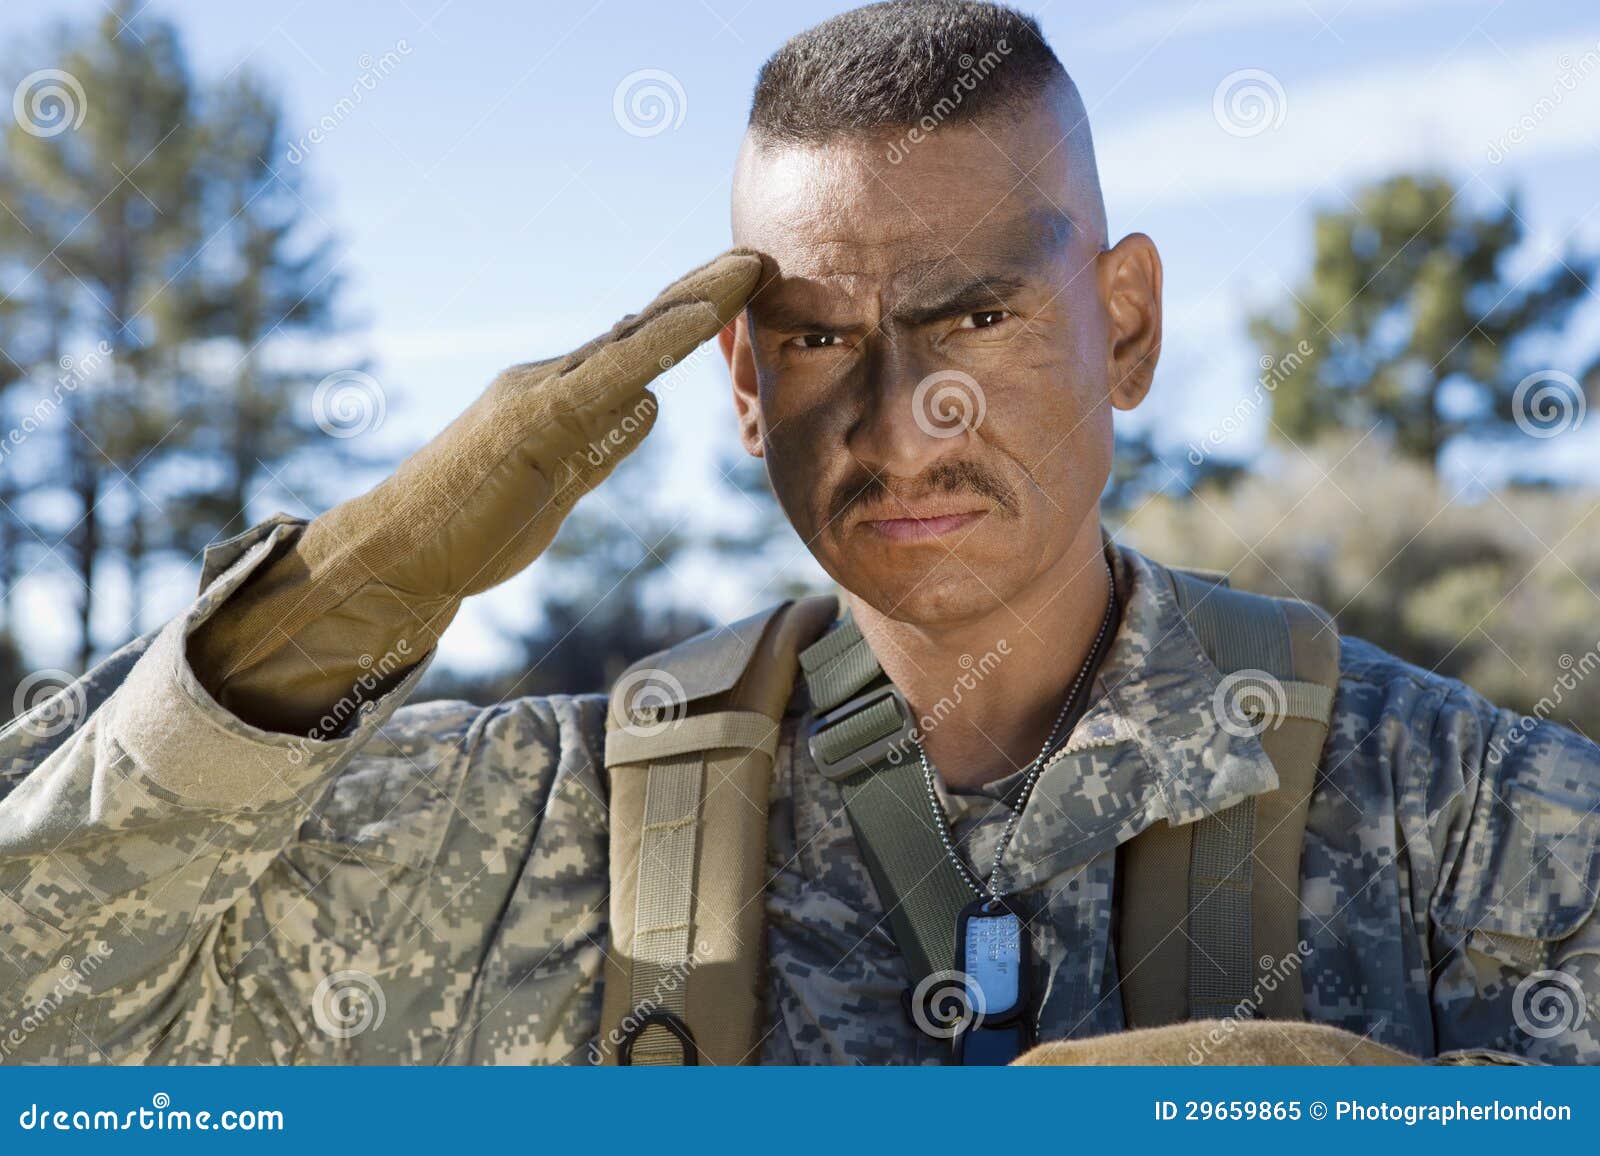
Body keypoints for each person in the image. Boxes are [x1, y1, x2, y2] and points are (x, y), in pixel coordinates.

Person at [1, 0, 1596, 1067]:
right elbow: (47, 1027)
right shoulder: (546, 828)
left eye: (974, 317)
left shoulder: (1466, 814)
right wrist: (324, 615)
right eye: (821, 338)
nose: (902, 426)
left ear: (1125, 327)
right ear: (745, 387)